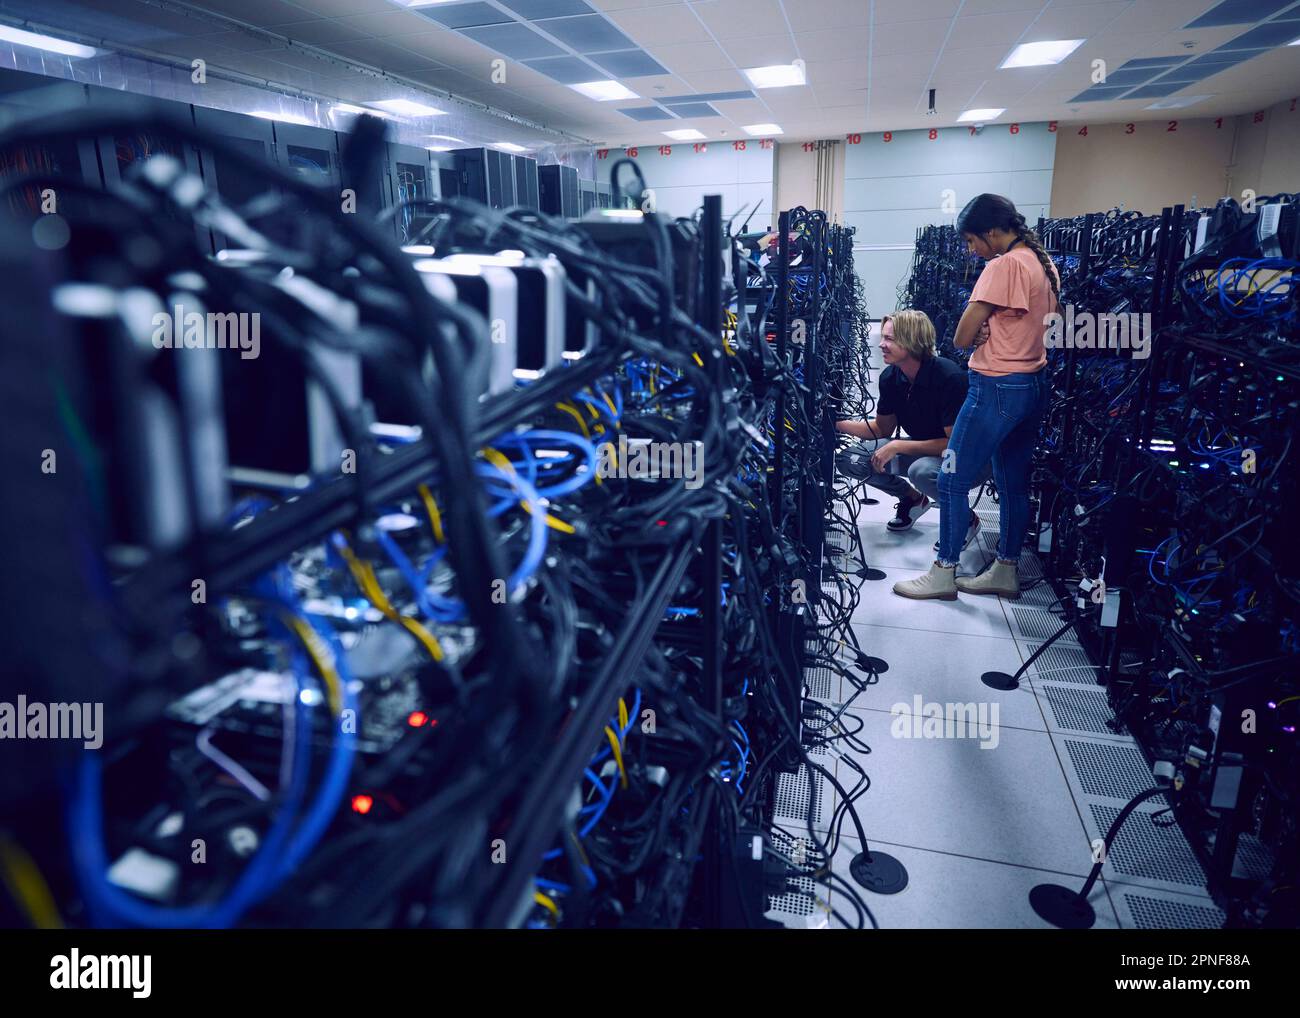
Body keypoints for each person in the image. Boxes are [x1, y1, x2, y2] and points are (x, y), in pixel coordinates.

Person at [892, 194, 1058, 601]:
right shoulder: (1043, 262)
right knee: (1013, 483)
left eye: (971, 241)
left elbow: (962, 336)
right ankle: (1005, 569)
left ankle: (943, 572)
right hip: (1032, 383)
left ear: (992, 232)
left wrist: (981, 330)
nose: (971, 250)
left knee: (950, 479)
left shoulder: (1003, 265)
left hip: (996, 386)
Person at [835, 310, 987, 552]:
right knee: (851, 459)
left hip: (968, 457)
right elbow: (882, 428)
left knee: (922, 471)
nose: (881, 345)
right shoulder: (891, 377)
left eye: (890, 339)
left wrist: (897, 446)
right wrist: (834, 423)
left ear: (913, 341)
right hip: (927, 449)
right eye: (883, 337)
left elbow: (954, 444)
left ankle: (964, 519)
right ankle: (912, 499)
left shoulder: (949, 377)